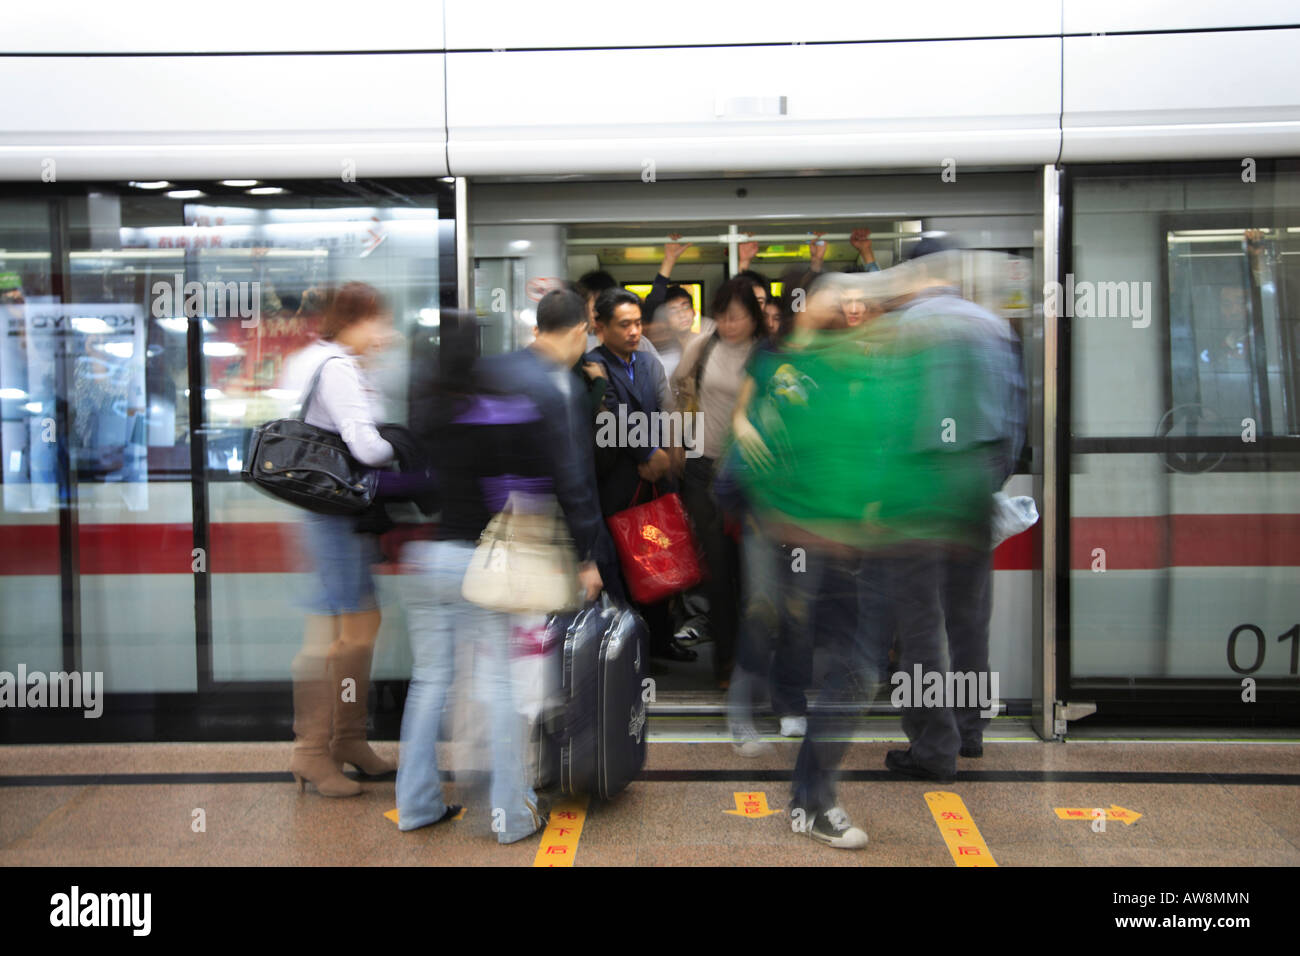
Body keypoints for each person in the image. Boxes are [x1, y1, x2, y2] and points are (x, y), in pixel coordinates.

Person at [395, 292, 607, 841]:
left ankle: (416, 805)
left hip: (425, 561)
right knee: (500, 683)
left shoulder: (423, 410)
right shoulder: (500, 407)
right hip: (480, 566)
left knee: (428, 682)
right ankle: (512, 815)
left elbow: (413, 486)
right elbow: (531, 486)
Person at [279, 282, 398, 798]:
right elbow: (366, 447)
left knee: (361, 624)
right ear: (357, 319)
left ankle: (348, 738)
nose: (386, 333)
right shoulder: (338, 368)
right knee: (333, 634)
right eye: (380, 322)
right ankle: (311, 751)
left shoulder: (316, 359)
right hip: (334, 513)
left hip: (332, 512)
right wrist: (407, 449)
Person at [586, 287, 693, 662]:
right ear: (601, 327)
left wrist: (667, 451)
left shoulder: (648, 363)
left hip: (657, 481)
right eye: (624, 325)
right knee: (624, 568)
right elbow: (609, 416)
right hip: (618, 483)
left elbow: (666, 406)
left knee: (661, 561)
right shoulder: (592, 365)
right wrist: (647, 453)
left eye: (637, 324)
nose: (634, 332)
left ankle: (661, 641)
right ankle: (632, 655)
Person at [671, 278, 767, 685]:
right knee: (717, 570)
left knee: (753, 573)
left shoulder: (767, 351)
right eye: (722, 317)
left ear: (753, 316)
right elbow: (676, 388)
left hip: (752, 474)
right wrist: (677, 438)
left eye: (736, 317)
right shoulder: (704, 345)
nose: (727, 325)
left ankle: (754, 659)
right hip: (704, 468)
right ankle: (726, 660)